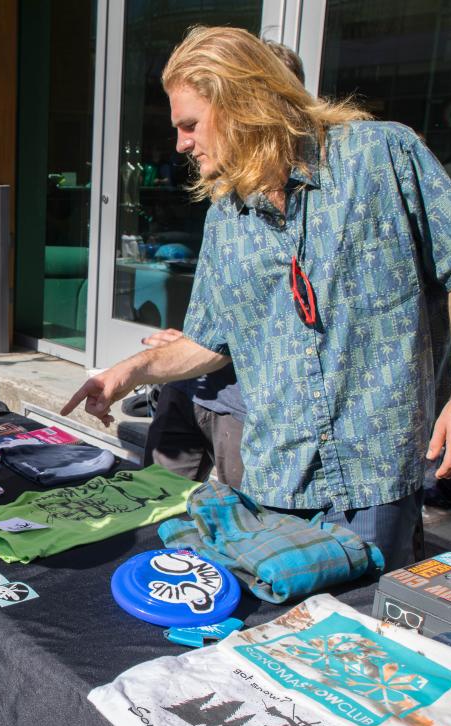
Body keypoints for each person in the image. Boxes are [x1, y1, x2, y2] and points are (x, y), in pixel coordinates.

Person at [63, 27, 451, 571]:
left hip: (375, 471)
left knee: (359, 631)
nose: (180, 143)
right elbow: (208, 339)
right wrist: (128, 371)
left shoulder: (381, 155)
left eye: (190, 124)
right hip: (276, 473)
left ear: (242, 103)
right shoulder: (227, 214)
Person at [142, 40, 304, 487]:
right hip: (190, 387)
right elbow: (223, 311)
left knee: (241, 530)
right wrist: (191, 342)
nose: (183, 145)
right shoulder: (224, 202)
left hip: (242, 404)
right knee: (154, 506)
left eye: (191, 124)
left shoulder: (325, 195)